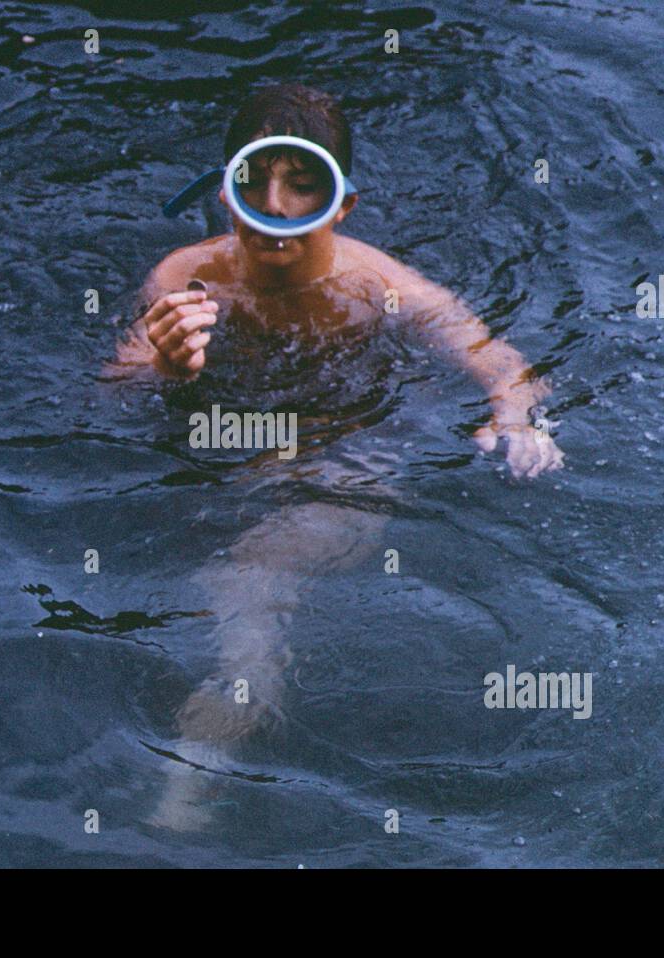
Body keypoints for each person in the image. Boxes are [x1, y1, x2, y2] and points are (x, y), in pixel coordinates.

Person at [112, 84, 565, 830]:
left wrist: (517, 422)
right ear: (226, 191)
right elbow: (105, 399)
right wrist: (160, 365)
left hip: (349, 456)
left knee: (251, 586)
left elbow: (506, 369)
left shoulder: (380, 286)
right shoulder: (184, 279)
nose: (278, 205)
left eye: (303, 183)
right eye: (256, 183)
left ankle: (188, 791)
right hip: (215, 458)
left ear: (343, 203)